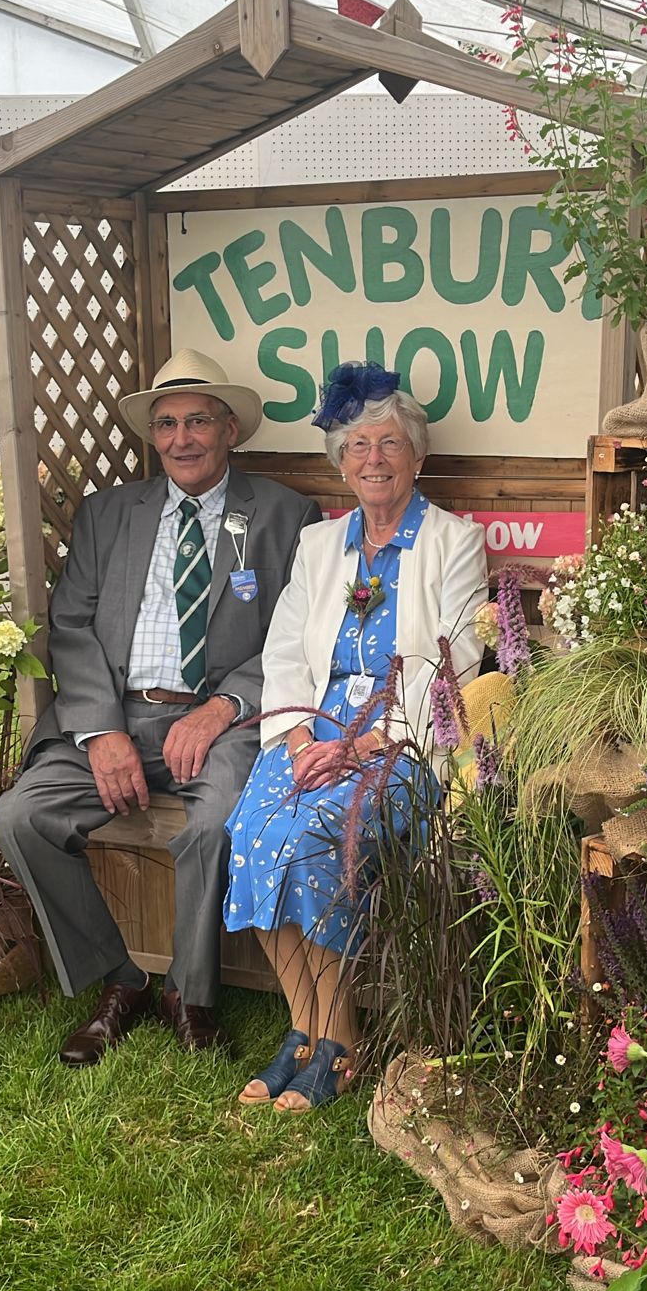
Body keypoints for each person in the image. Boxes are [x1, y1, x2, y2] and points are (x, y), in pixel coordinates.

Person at [0, 349, 320, 1066]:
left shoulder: (285, 515)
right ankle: (123, 977)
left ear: (230, 429)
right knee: (20, 817)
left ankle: (190, 996)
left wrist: (224, 706)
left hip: (221, 723)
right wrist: (99, 729)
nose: (181, 439)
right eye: (167, 424)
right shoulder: (109, 514)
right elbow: (71, 627)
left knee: (215, 823)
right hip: (114, 714)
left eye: (198, 421)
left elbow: (298, 634)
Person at [225, 364, 488, 1112]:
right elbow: (283, 652)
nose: (374, 458)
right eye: (358, 446)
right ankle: (303, 1028)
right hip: (311, 733)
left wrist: (366, 744)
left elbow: (456, 663)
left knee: (314, 840)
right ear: (341, 463)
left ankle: (338, 1037)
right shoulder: (318, 545)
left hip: (399, 740)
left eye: (390, 443)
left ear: (417, 456)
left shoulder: (453, 542)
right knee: (251, 833)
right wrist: (300, 737)